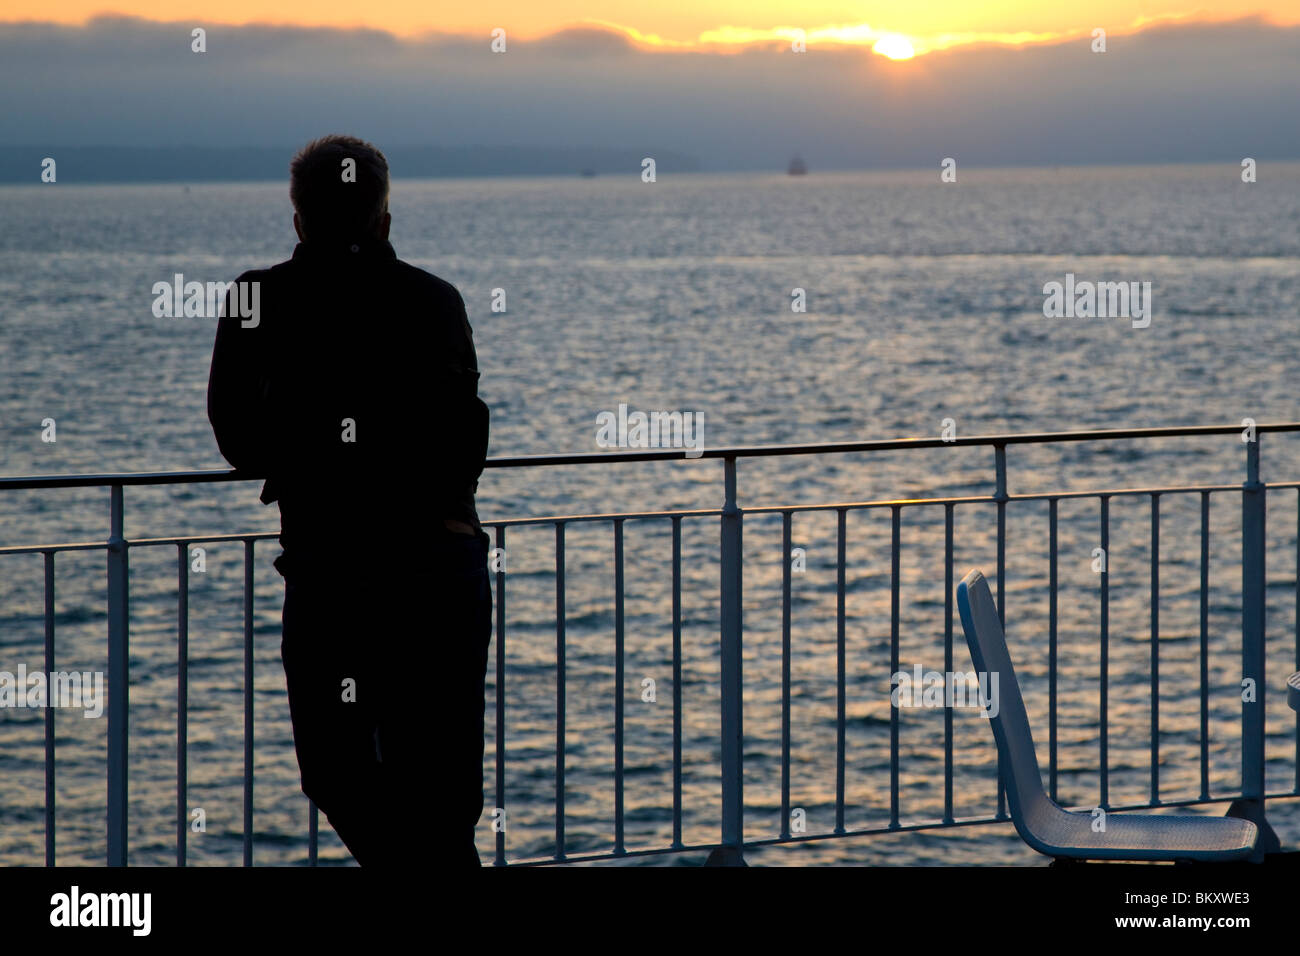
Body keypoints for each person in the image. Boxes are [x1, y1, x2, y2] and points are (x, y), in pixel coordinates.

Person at [207, 134, 491, 866]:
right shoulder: (435, 300)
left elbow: (238, 438)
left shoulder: (255, 299)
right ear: (384, 219)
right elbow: (464, 437)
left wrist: (308, 443)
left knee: (337, 768)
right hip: (441, 563)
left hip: (336, 571)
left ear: (298, 219)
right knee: (444, 787)